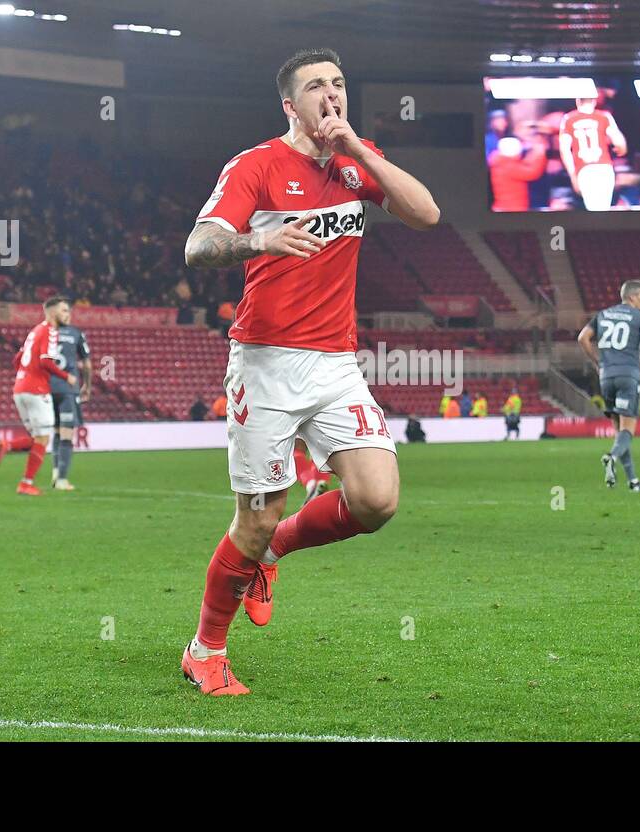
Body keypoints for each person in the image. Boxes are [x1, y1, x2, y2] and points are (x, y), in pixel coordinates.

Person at [180, 47, 439, 695]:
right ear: (290, 105)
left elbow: (426, 213)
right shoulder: (258, 166)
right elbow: (198, 245)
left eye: (340, 83)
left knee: (376, 500)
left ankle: (275, 555)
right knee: (256, 517)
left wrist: (358, 148)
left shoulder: (357, 160)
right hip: (264, 364)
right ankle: (204, 650)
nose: (332, 94)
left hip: (335, 365)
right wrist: (257, 239)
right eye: (317, 86)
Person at [0, 296, 77, 496]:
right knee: (44, 438)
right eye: (63, 311)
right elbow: (46, 361)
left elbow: (16, 360)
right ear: (53, 313)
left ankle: (6, 446)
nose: (67, 314)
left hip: (20, 388)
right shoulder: (50, 331)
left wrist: (25, 375)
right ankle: (26, 483)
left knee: (37, 437)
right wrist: (66, 377)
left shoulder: (33, 332)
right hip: (36, 390)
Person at [578, 279, 640, 491]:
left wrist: (597, 362)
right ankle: (612, 457)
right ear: (632, 296)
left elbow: (583, 338)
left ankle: (633, 481)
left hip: (606, 377)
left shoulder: (604, 314)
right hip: (628, 375)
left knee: (619, 431)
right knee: (628, 429)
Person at [558, 94, 627, 211]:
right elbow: (620, 143)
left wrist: (573, 176)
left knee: (594, 213)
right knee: (603, 211)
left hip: (584, 169)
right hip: (604, 168)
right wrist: (621, 149)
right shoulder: (604, 116)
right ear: (594, 101)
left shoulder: (568, 119)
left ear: (578, 101)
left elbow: (564, 150)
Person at [49, 306, 92, 491]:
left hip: (48, 389)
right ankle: (62, 479)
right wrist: (87, 386)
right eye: (65, 311)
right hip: (67, 389)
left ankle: (56, 470)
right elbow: (87, 365)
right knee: (67, 434)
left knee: (58, 431)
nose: (69, 315)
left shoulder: (44, 332)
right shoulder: (76, 334)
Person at [488, 136, 547, 212]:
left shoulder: (503, 162)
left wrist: (534, 153)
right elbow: (532, 172)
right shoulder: (508, 166)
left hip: (507, 206)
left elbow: (525, 165)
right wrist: (540, 154)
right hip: (511, 208)